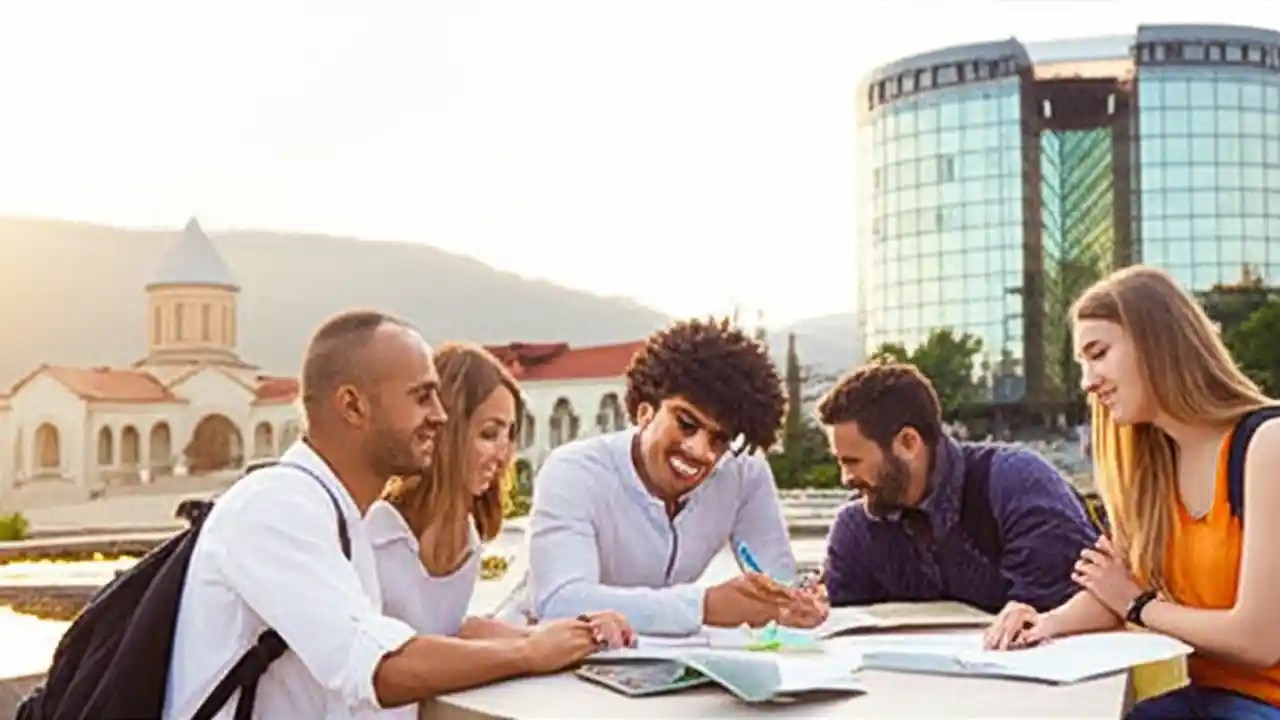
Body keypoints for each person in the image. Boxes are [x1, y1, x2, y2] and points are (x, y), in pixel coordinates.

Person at [163, 311, 628, 720]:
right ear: (353, 405)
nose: (441, 417)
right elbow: (378, 667)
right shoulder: (277, 507)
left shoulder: (341, 518)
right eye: (422, 397)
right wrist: (529, 651)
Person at [984, 266, 1280, 720]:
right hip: (1207, 700)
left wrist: (1139, 605)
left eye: (1098, 353)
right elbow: (1112, 590)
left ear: (1156, 341)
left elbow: (1259, 640)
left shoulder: (1266, 445)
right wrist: (1044, 624)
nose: (1087, 381)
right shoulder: (1153, 469)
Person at [524, 317, 828, 636]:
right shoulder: (574, 471)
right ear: (645, 412)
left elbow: (776, 583)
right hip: (549, 664)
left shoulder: (744, 470)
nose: (701, 452)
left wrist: (792, 604)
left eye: (719, 439)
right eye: (686, 424)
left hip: (663, 665)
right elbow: (559, 602)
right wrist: (704, 606)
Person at [366, 342, 631, 644]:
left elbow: (453, 630)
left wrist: (580, 631)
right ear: (446, 429)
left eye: (510, 435)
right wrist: (532, 647)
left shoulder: (467, 537)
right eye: (489, 434)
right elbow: (391, 658)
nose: (504, 455)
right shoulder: (380, 535)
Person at [816, 362, 1100, 615]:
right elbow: (842, 628)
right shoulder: (857, 529)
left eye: (853, 461)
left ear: (908, 443)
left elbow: (1057, 612)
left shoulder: (1015, 486)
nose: (846, 478)